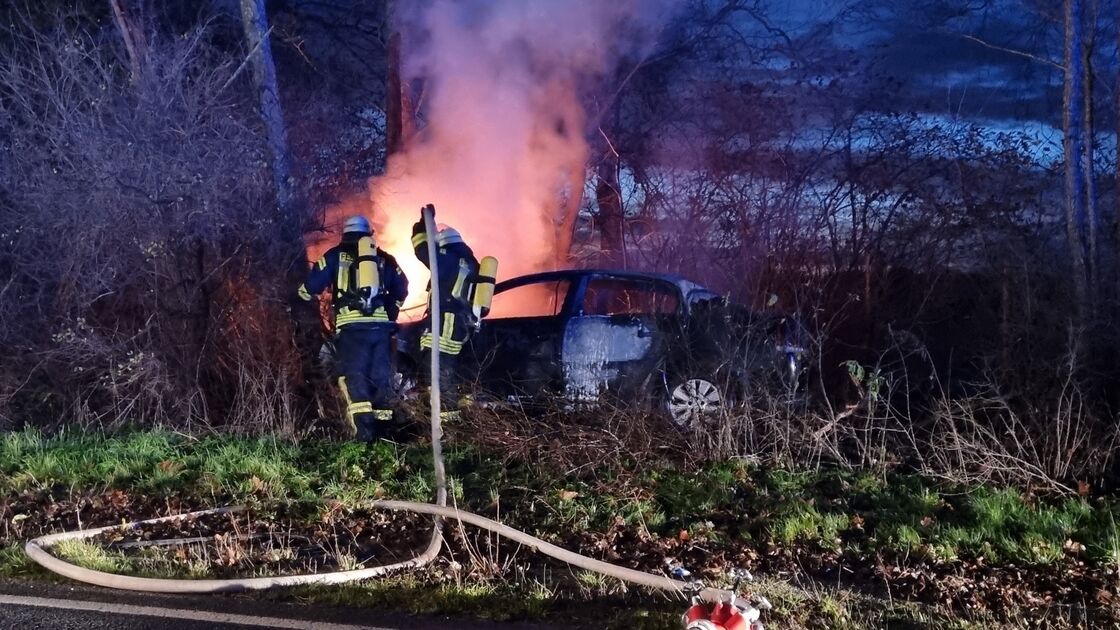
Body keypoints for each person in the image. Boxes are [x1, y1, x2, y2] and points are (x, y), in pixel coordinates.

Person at [297, 216, 408, 441]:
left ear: (345, 234)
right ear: (369, 234)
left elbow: (309, 288)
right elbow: (402, 289)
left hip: (351, 329)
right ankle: (386, 435)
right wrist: (390, 312)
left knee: (355, 376)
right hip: (380, 329)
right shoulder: (384, 259)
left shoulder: (334, 256)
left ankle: (364, 437)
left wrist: (301, 297)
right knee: (380, 377)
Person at [411, 206, 480, 422]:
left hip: (446, 323)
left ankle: (447, 424)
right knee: (452, 371)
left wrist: (422, 226)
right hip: (461, 324)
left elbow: (424, 250)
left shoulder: (448, 259)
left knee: (441, 371)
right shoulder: (470, 263)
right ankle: (460, 418)